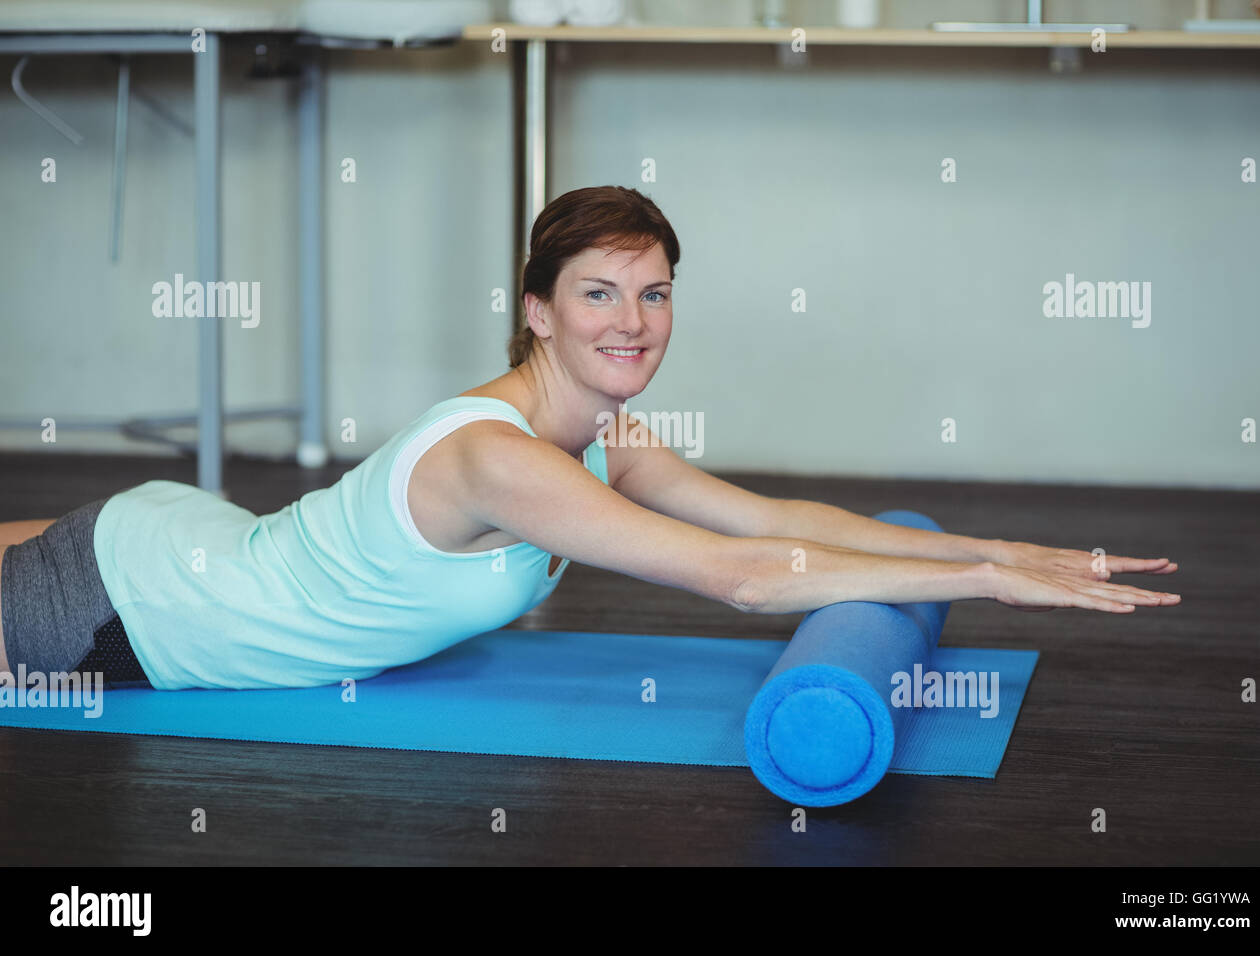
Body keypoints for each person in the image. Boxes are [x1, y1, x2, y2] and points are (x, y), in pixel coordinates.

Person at [0, 185, 1179, 692]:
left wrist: (1014, 547)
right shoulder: (503, 459)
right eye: (600, 294)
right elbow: (746, 576)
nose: (633, 321)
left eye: (655, 293)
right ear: (536, 309)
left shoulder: (601, 435)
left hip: (195, 536)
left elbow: (773, 520)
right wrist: (979, 580)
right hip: (133, 605)